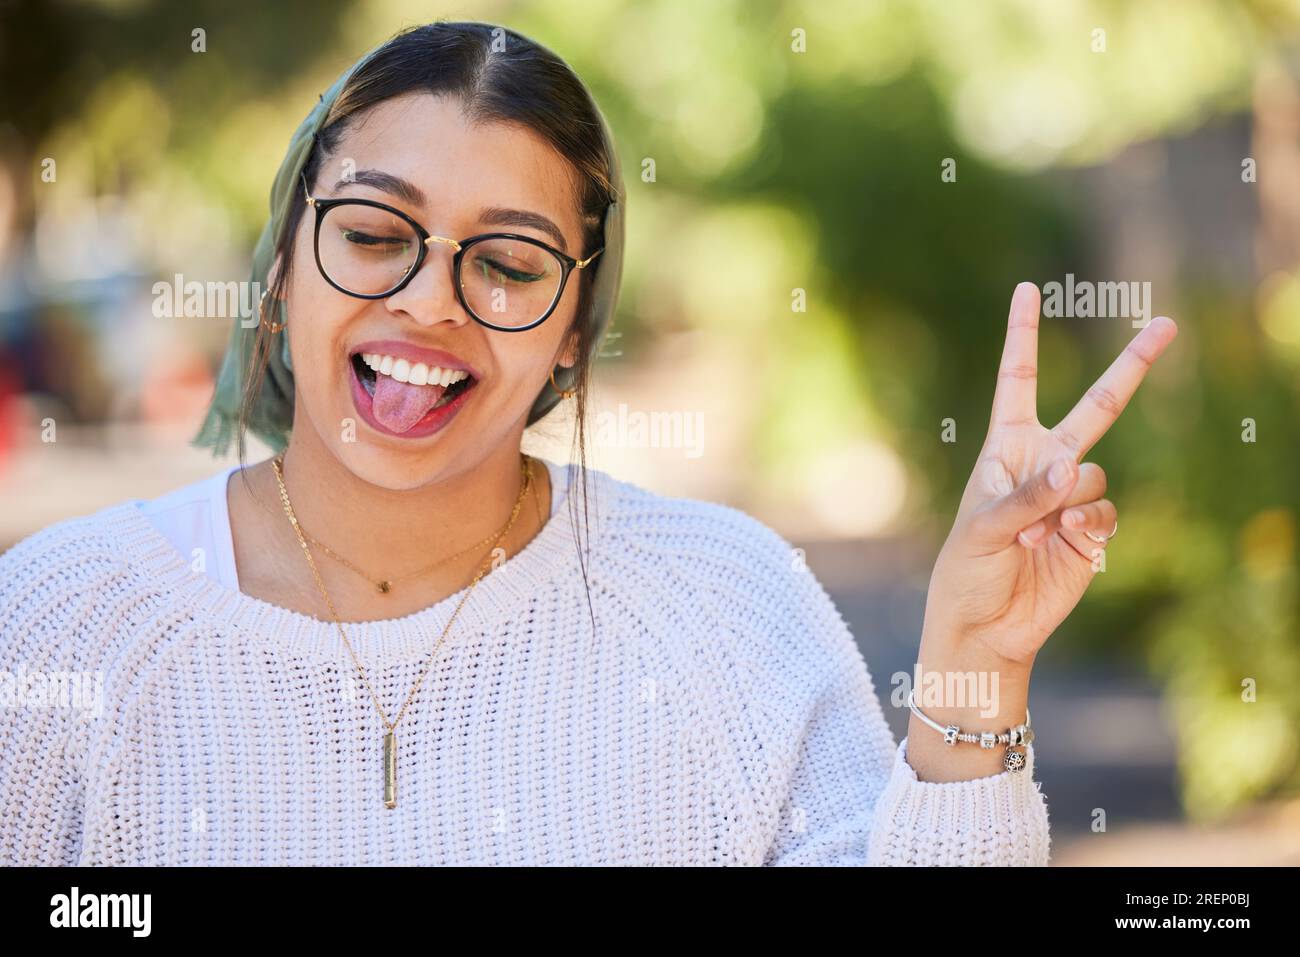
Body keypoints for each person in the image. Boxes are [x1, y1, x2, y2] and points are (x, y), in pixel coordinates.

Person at [0, 21, 1176, 866]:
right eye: (372, 235)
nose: (429, 301)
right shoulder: (65, 626)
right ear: (279, 275)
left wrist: (975, 660)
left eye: (506, 262)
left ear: (572, 333)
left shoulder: (720, 608)